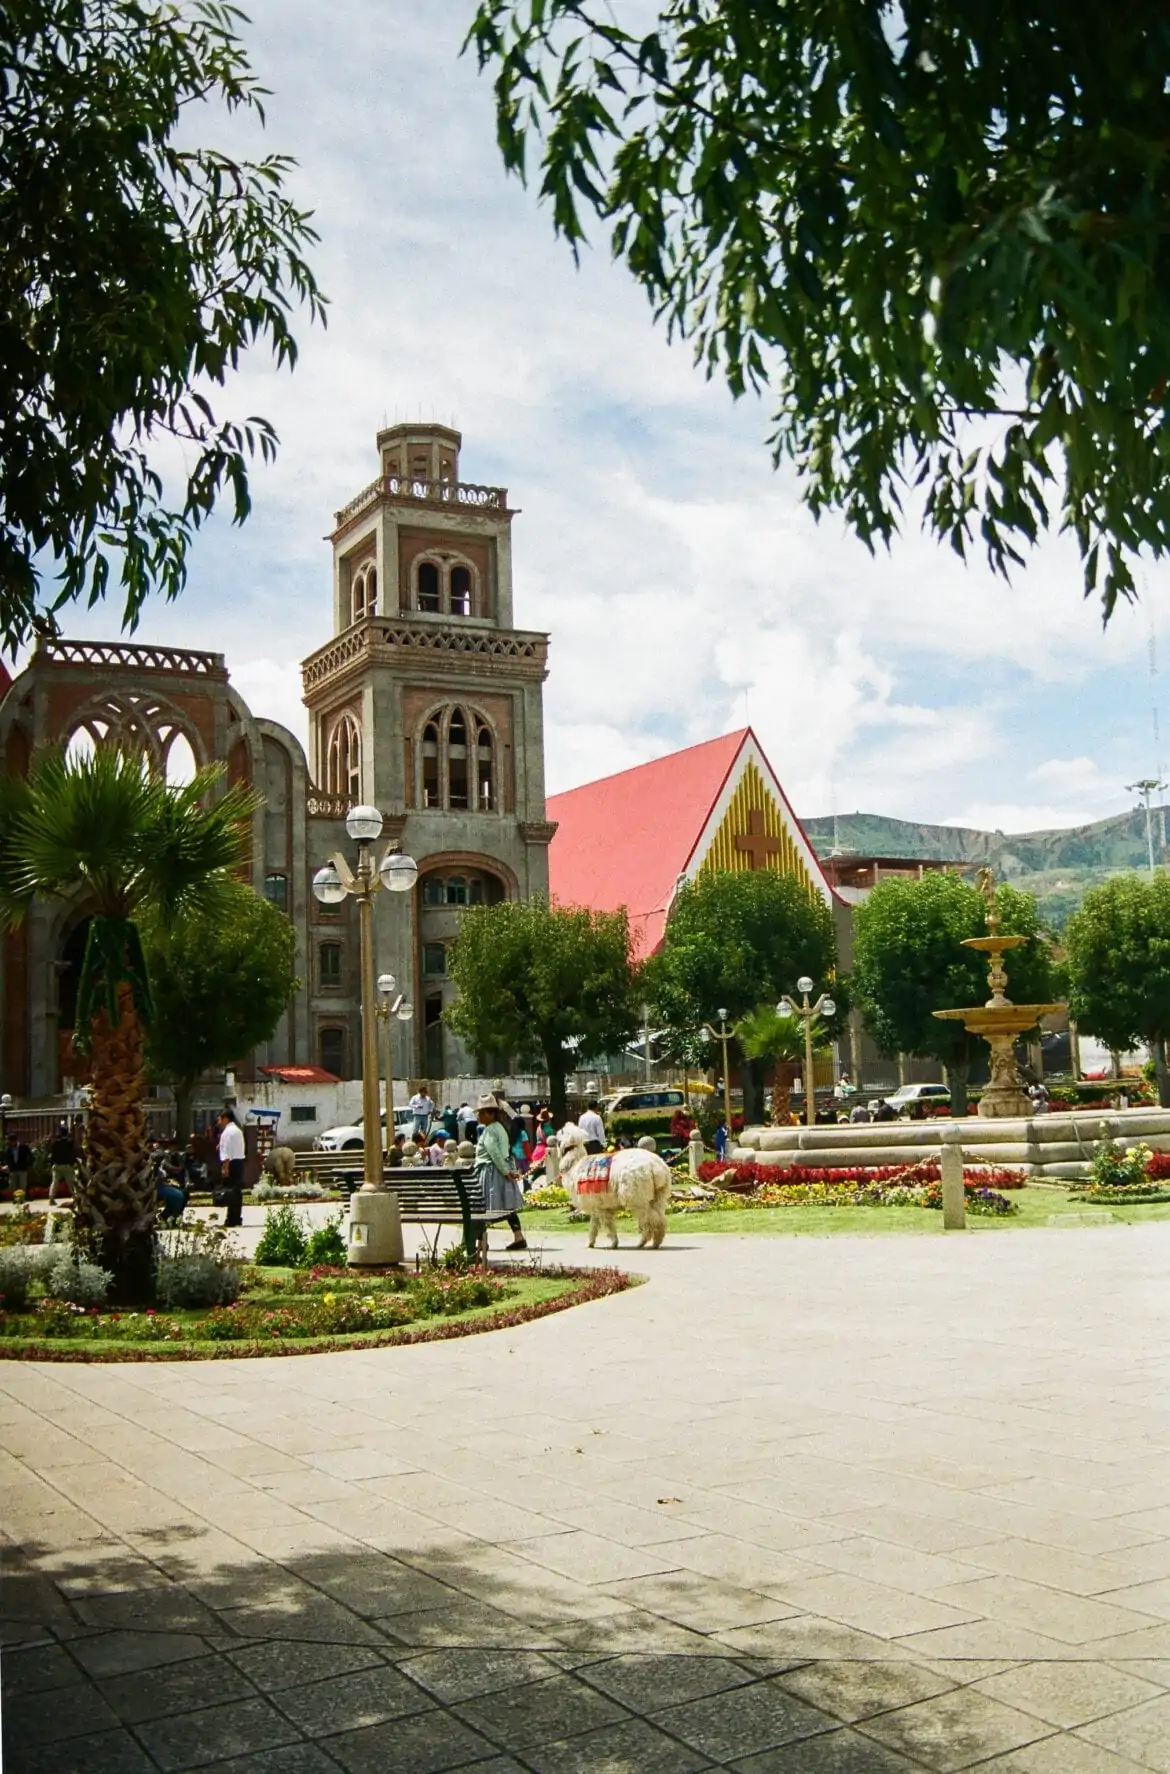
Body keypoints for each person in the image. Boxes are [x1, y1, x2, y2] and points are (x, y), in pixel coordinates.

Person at [474, 1093, 526, 1251]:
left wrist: (504, 1171)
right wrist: (508, 1170)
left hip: (491, 1171)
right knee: (507, 1204)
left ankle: (481, 1242)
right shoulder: (501, 1128)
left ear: (491, 1113)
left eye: (482, 1113)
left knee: (481, 1206)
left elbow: (493, 1152)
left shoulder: (490, 1130)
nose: (479, 1116)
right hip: (502, 1169)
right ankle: (518, 1236)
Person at [216, 1109, 246, 1228]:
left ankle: (231, 1219)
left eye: (220, 1119)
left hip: (231, 1164)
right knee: (236, 1192)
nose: (218, 1122)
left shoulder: (227, 1132)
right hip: (239, 1162)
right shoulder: (237, 1130)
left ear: (225, 1119)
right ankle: (236, 1217)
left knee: (230, 1192)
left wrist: (225, 1167)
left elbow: (227, 1152)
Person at [48, 1122, 77, 1202]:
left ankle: (51, 1197)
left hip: (57, 1165)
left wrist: (51, 1163)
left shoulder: (56, 1143)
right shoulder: (69, 1142)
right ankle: (75, 1196)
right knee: (71, 1183)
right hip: (66, 1165)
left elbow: (52, 1154)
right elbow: (72, 1153)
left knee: (55, 1182)